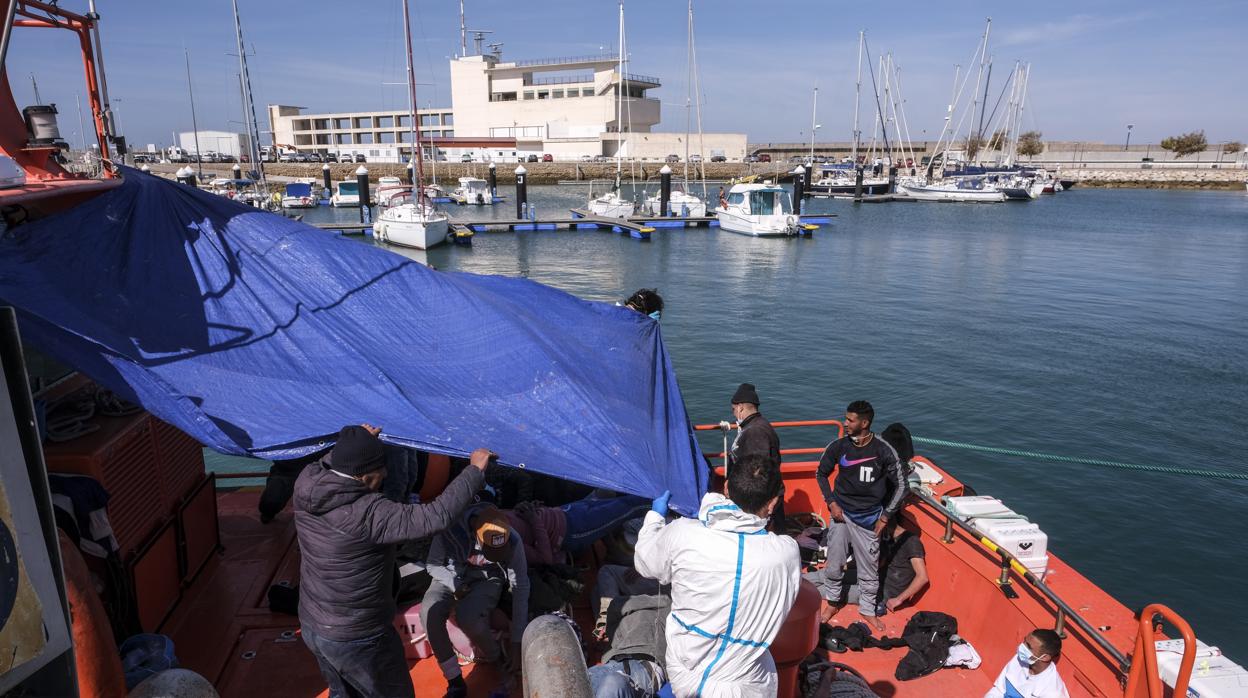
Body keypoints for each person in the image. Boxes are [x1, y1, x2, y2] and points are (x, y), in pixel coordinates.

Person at [293, 424, 493, 698]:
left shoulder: (306, 481)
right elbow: (434, 516)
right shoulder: (368, 514)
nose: (386, 473)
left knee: (342, 693)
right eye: (380, 470)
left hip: (314, 626)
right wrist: (474, 471)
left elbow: (334, 458)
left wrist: (360, 442)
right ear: (363, 476)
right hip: (359, 635)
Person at [634, 453, 800, 698]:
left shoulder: (682, 533)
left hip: (684, 674)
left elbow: (645, 562)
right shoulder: (786, 552)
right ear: (773, 503)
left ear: (725, 488)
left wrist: (655, 518)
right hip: (746, 685)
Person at [814, 400, 906, 631]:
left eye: (850, 420)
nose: (845, 423)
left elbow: (902, 486)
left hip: (868, 519)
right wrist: (831, 502)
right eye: (845, 419)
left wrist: (885, 517)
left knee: (869, 569)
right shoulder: (838, 446)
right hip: (840, 515)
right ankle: (833, 602)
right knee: (834, 564)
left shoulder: (884, 450)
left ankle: (867, 609)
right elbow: (821, 473)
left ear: (864, 423)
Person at [422, 502, 531, 698]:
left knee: (468, 616)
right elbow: (432, 565)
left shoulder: (512, 538)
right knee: (429, 612)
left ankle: (496, 658)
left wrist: (517, 641)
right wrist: (455, 585)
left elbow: (520, 586)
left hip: (486, 578)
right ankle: (455, 681)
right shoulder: (448, 527)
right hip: (450, 573)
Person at [811, 512, 928, 617]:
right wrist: (844, 567)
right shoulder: (887, 537)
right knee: (827, 575)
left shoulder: (912, 541)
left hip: (883, 593)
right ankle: (796, 579)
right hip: (871, 577)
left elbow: (922, 577)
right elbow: (878, 563)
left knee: (827, 590)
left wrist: (899, 599)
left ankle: (800, 588)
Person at [505, 495, 649, 567]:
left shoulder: (490, 516)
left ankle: (612, 551)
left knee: (608, 496)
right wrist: (534, 519)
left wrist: (529, 508)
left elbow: (524, 523)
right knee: (628, 507)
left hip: (564, 512)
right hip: (572, 531)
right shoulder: (508, 542)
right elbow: (545, 559)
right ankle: (667, 504)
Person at [587, 593, 672, 698]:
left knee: (613, 683)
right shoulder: (620, 613)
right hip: (613, 662)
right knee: (577, 679)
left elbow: (666, 600)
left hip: (647, 665)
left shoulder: (670, 608)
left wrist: (609, 628)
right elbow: (615, 605)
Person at [727, 383, 783, 530]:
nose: (733, 414)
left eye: (733, 410)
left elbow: (758, 472)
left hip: (758, 504)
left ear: (740, 408)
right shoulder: (755, 426)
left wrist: (757, 509)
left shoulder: (755, 432)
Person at [985, 628, 1069, 698]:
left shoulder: (1053, 693)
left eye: (1028, 647)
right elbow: (999, 689)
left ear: (1045, 657)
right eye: (1024, 641)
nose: (1022, 646)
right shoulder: (1019, 658)